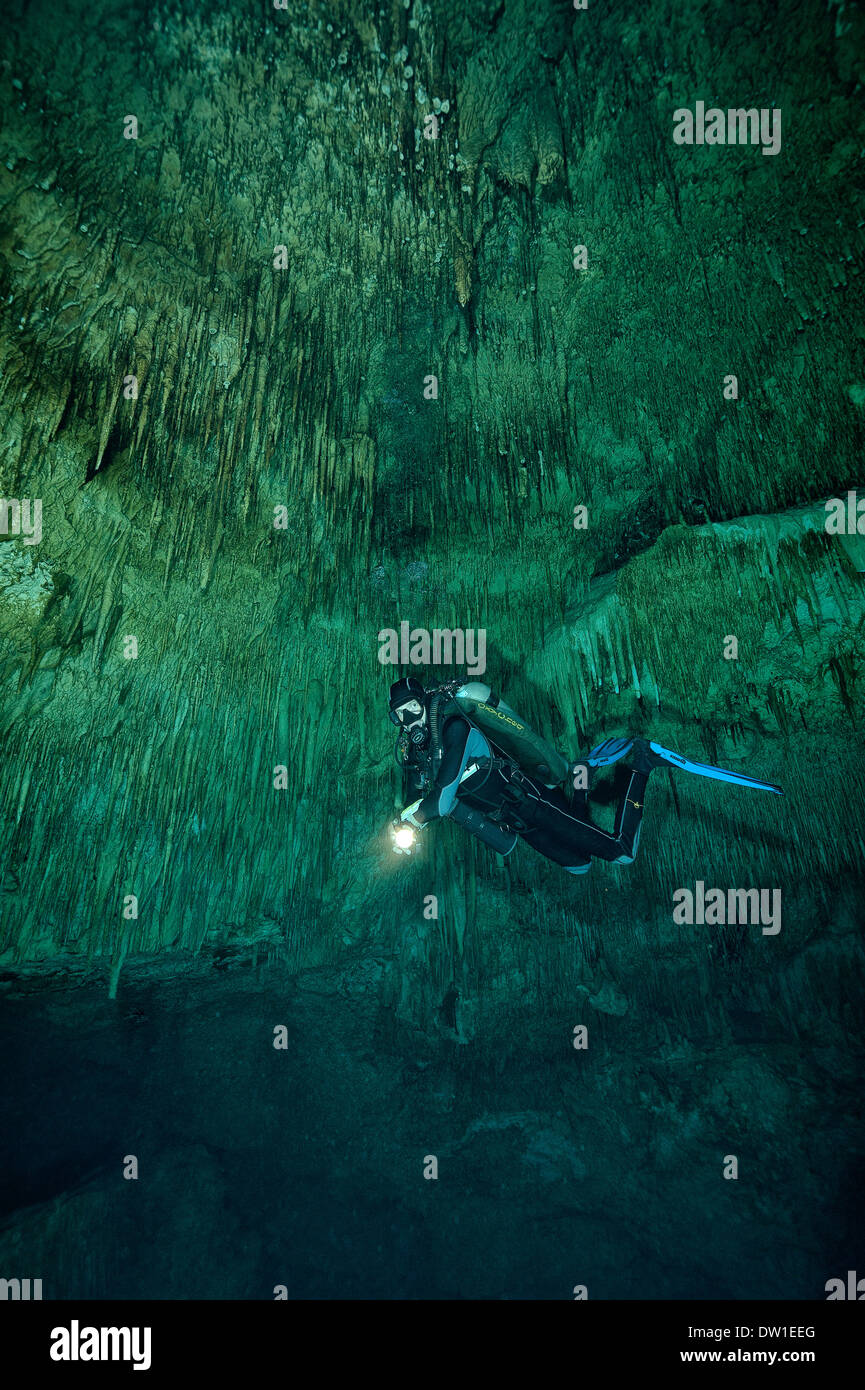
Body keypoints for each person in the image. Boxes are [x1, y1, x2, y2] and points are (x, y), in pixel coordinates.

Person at [387, 677, 782, 876]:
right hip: (519, 822)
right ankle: (582, 773)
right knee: (580, 866)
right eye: (399, 716)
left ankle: (644, 762)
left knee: (620, 853)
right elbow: (421, 802)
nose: (408, 720)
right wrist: (401, 821)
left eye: (411, 708)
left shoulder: (455, 729)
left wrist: (417, 819)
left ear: (426, 703)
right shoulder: (423, 760)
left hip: (533, 800)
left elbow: (437, 803)